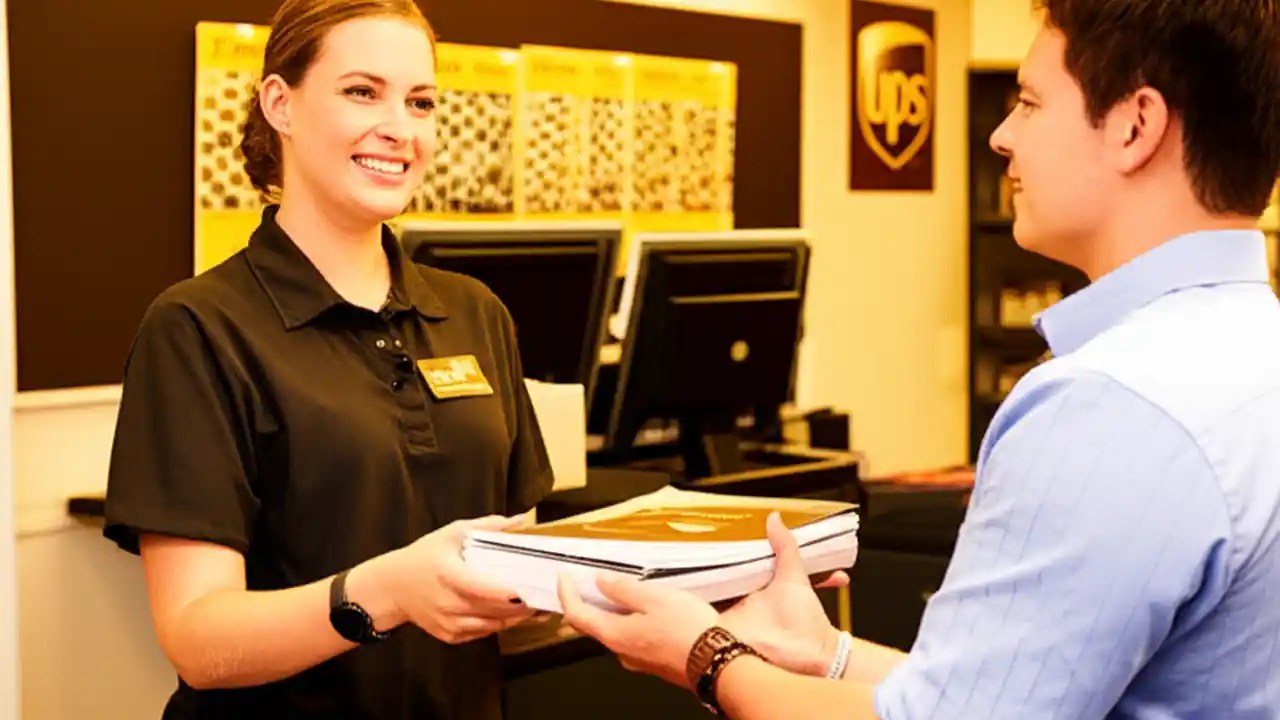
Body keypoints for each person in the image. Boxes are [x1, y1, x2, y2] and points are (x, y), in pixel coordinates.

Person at [557, 1, 1280, 718]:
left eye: (1029, 103)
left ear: (1134, 125)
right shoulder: (1251, 352)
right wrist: (822, 653)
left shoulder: (1111, 405)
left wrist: (708, 657)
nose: (1001, 136)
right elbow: (997, 696)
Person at [102, 1, 553, 717]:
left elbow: (515, 559)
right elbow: (199, 640)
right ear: (280, 103)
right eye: (361, 91)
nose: (400, 129)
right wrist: (388, 593)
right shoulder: (198, 328)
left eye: (422, 101)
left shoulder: (475, 312)